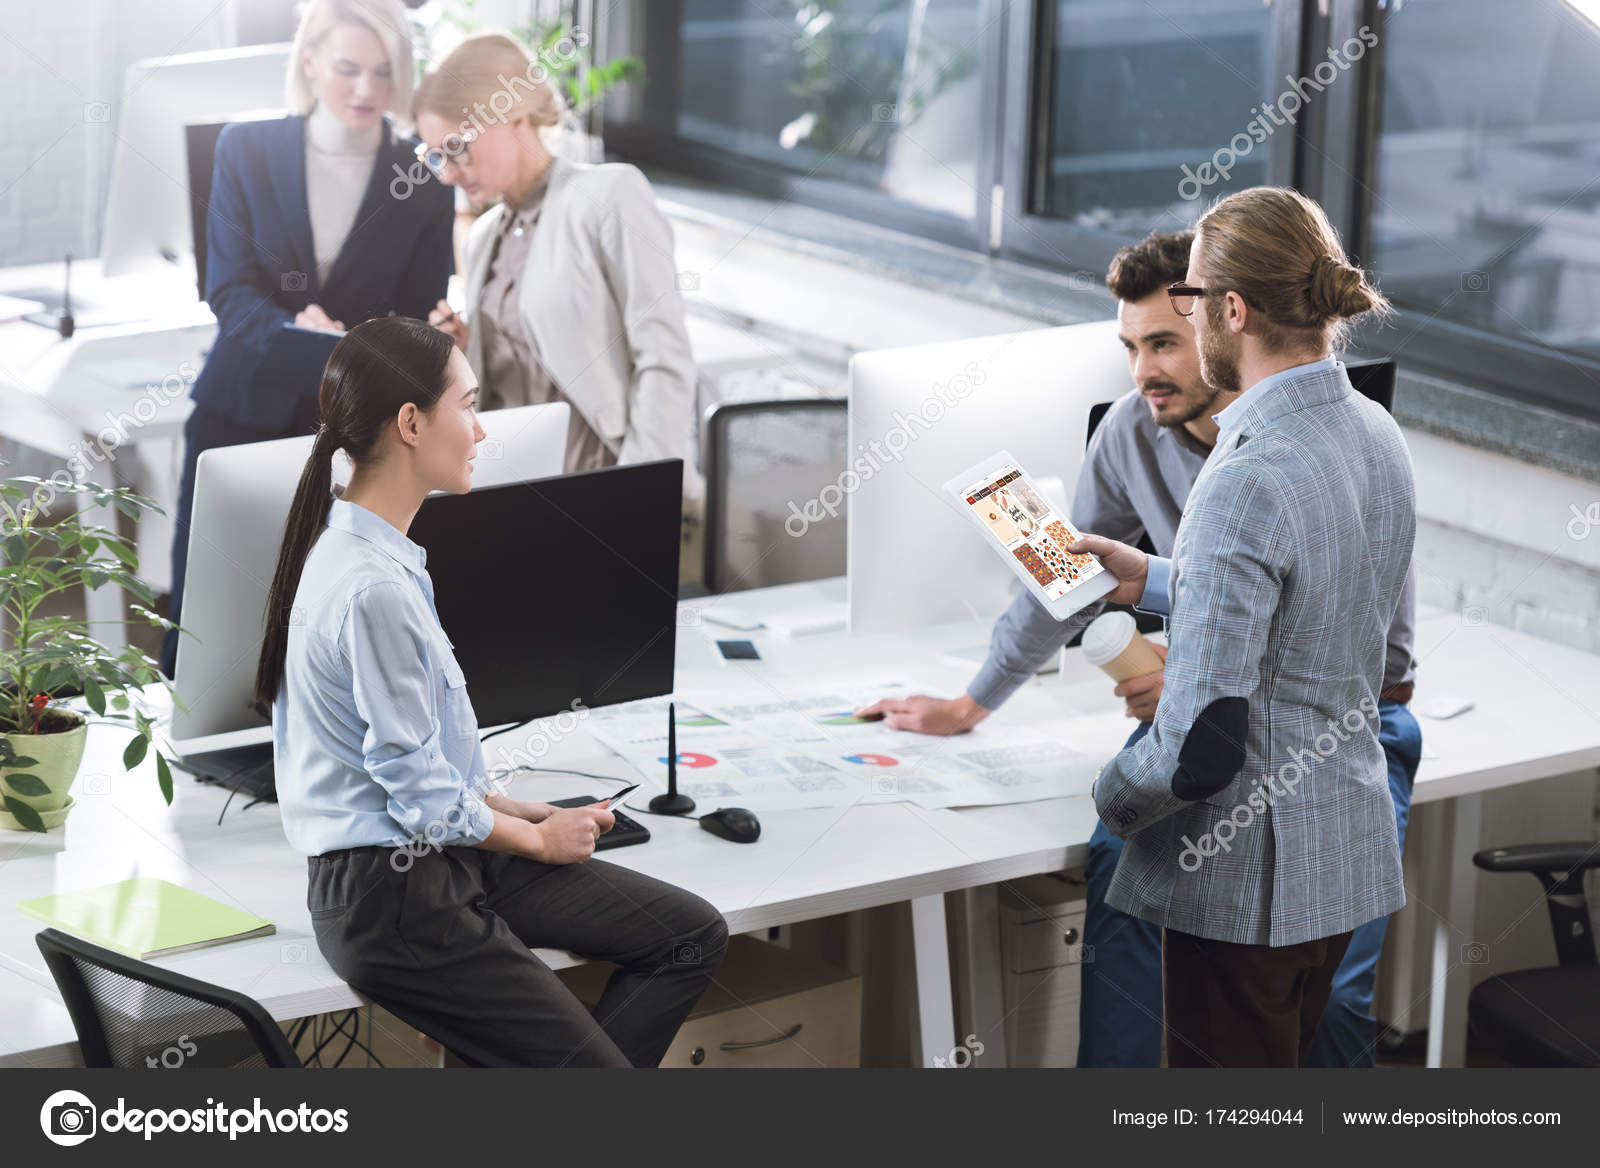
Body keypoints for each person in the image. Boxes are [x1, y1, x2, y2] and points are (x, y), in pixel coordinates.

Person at [859, 230, 1421, 1067]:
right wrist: (972, 701)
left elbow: (1371, 658)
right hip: (1221, 721)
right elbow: (1066, 578)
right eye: (1128, 346)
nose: (1143, 370)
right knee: (1122, 881)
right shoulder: (1130, 432)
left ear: (1222, 322)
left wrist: (1205, 678)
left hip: (1337, 729)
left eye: (1165, 340)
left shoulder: (1297, 455)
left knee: (1328, 998)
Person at [255, 316, 726, 1067]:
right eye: (468, 406)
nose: (479, 432)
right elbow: (416, 795)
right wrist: (537, 840)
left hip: (443, 856)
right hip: (392, 894)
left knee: (688, 934)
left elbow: (421, 765)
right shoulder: (371, 586)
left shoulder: (385, 555)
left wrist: (506, 807)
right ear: (411, 423)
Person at [1073, 188, 1413, 1068]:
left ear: (1231, 309)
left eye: (1188, 299)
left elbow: (1200, 750)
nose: (1185, 316)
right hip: (1339, 856)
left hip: (1244, 880)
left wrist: (1113, 796)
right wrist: (1151, 578)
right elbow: (1332, 613)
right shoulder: (1375, 432)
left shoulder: (1245, 473)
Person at [163, 0, 453, 678]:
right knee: (208, 605)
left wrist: (364, 351)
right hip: (241, 409)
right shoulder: (247, 148)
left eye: (384, 73)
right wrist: (300, 338)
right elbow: (229, 290)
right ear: (310, 61)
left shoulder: (424, 181)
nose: (366, 90)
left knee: (326, 614)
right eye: (348, 68)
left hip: (354, 429)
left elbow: (411, 319)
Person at [412, 33, 700, 487]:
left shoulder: (609, 195)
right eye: (433, 156)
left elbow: (664, 361)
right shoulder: (485, 235)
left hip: (598, 481)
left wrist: (640, 488)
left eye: (456, 148)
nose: (446, 173)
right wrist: (470, 351)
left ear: (513, 117)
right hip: (509, 486)